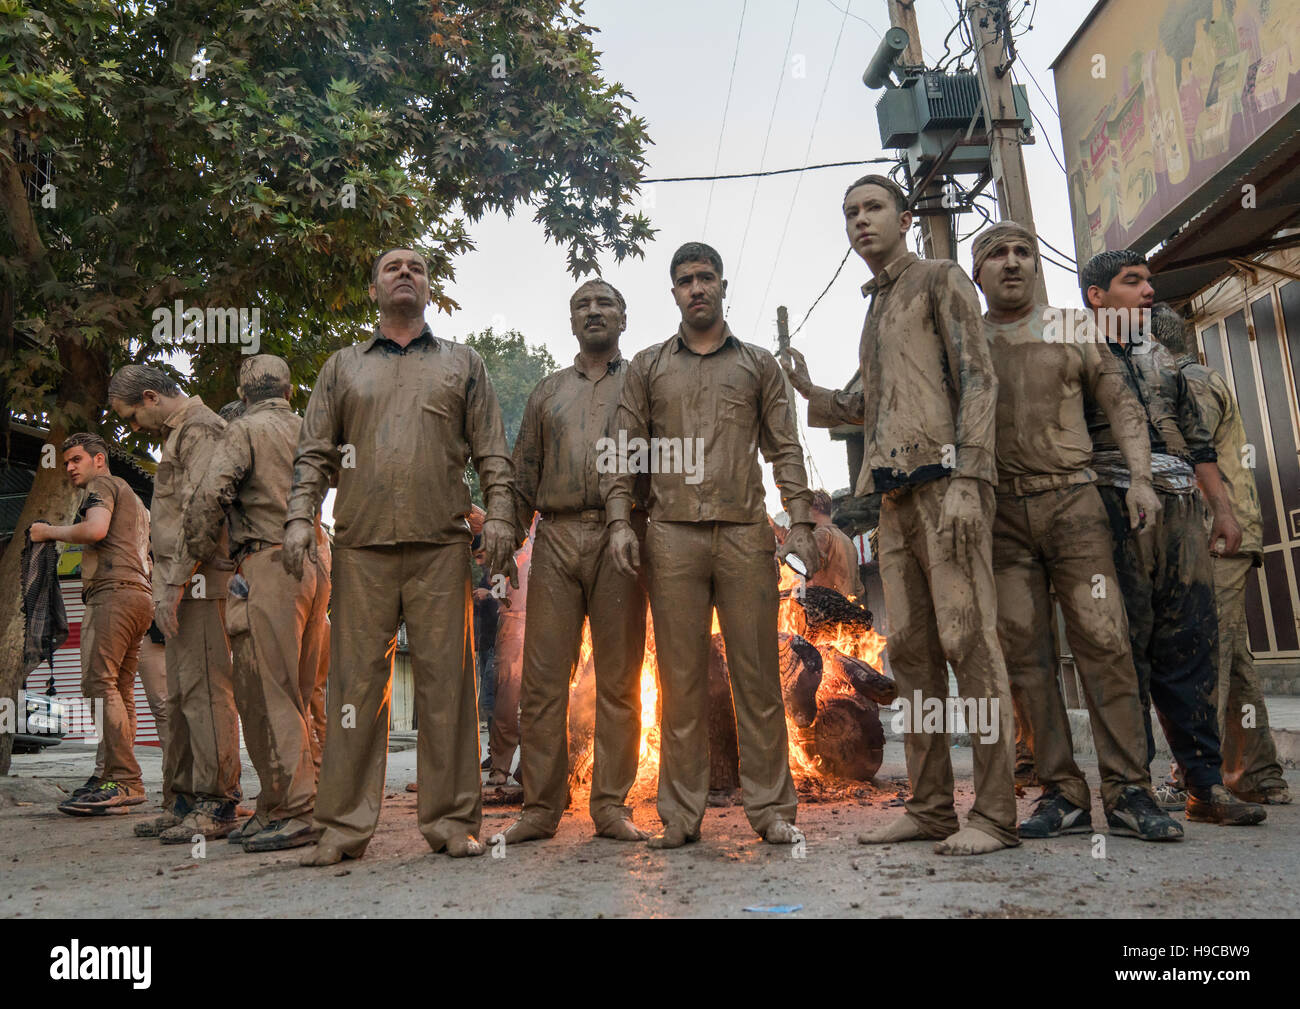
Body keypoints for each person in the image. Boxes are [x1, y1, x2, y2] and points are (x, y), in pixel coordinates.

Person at [782, 175, 1018, 856]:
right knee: (910, 653)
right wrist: (809, 391)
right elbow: (866, 401)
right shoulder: (875, 309)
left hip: (947, 484)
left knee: (969, 641)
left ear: (906, 215)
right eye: (850, 212)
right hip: (892, 498)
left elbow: (978, 377)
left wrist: (972, 477)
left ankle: (997, 814)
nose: (861, 221)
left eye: (874, 207)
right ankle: (933, 804)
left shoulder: (941, 279)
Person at [283, 246, 517, 865]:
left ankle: (450, 823)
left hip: (442, 543)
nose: (405, 274)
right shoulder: (341, 367)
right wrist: (300, 515)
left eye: (416, 267)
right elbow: (313, 452)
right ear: (374, 290)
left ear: (430, 287)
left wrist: (499, 516)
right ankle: (341, 828)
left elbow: (493, 450)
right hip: (361, 545)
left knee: (450, 685)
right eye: (393, 267)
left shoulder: (464, 363)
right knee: (354, 689)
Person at [970, 222, 1181, 841]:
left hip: (1074, 504)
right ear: (977, 272)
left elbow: (1119, 402)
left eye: (1022, 253)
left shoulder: (1072, 325)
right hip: (1001, 516)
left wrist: (1141, 478)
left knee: (1104, 639)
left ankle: (1128, 791)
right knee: (1025, 658)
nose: (1011, 264)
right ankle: (1060, 792)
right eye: (995, 255)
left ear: (1036, 263)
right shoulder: (969, 340)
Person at [604, 241, 816, 850]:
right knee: (680, 679)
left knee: (758, 677)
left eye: (705, 278)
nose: (696, 288)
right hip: (669, 536)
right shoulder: (647, 366)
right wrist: (621, 520)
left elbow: (784, 447)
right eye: (684, 280)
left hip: (746, 534)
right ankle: (680, 816)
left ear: (723, 286)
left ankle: (773, 809)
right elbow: (624, 451)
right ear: (673, 293)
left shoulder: (756, 365)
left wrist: (799, 519)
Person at [1080, 250, 1264, 826]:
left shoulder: (1163, 358)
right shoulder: (1074, 355)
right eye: (1132, 283)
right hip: (1113, 508)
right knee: (1124, 648)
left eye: (1149, 282)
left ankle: (1204, 785)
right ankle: (1133, 789)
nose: (1148, 292)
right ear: (1097, 297)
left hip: (1182, 511)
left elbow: (1198, 442)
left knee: (1191, 643)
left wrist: (1224, 513)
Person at [502, 279, 650, 843]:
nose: (593, 312)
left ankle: (610, 806)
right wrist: (505, 539)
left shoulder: (644, 385)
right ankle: (540, 807)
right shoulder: (546, 393)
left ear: (623, 318)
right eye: (582, 305)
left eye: (605, 303)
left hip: (623, 536)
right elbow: (523, 475)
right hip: (556, 537)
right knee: (542, 682)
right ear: (570, 323)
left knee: (619, 681)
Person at [183, 354, 331, 852]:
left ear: (243, 394)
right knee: (296, 688)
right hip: (313, 561)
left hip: (266, 564)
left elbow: (211, 494)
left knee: (268, 692)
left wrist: (202, 550)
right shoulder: (309, 429)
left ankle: (299, 809)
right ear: (289, 390)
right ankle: (276, 805)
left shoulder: (245, 430)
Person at [1150, 303, 1290, 805]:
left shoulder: (1189, 383)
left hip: (1216, 532)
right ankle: (1258, 776)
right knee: (1233, 657)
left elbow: (1188, 450)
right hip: (1223, 532)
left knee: (1205, 655)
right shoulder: (1195, 377)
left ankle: (1191, 775)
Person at [108, 366, 241, 843]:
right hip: (180, 580)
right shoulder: (180, 432)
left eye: (133, 417)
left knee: (205, 691)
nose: (134, 428)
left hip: (200, 578)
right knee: (182, 694)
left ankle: (217, 803)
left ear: (150, 397)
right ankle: (183, 799)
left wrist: (177, 581)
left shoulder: (200, 427)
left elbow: (206, 507)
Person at [31, 434, 153, 815]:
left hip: (113, 594)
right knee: (120, 688)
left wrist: (48, 531)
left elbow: (95, 530)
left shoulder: (102, 486)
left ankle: (125, 780)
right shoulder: (134, 499)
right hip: (140, 595)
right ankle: (110, 775)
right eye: (66, 461)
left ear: (99, 459)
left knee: (98, 683)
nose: (69, 467)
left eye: (76, 459)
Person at [487, 523, 532, 787]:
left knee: (542, 696)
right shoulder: (512, 519)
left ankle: (530, 766)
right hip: (515, 616)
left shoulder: (550, 520)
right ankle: (500, 764)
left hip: (550, 613)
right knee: (507, 695)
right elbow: (496, 585)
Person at [808, 489, 864, 600]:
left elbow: (803, 573)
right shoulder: (848, 541)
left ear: (817, 507)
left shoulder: (821, 535)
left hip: (827, 610)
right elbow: (859, 588)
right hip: (849, 610)